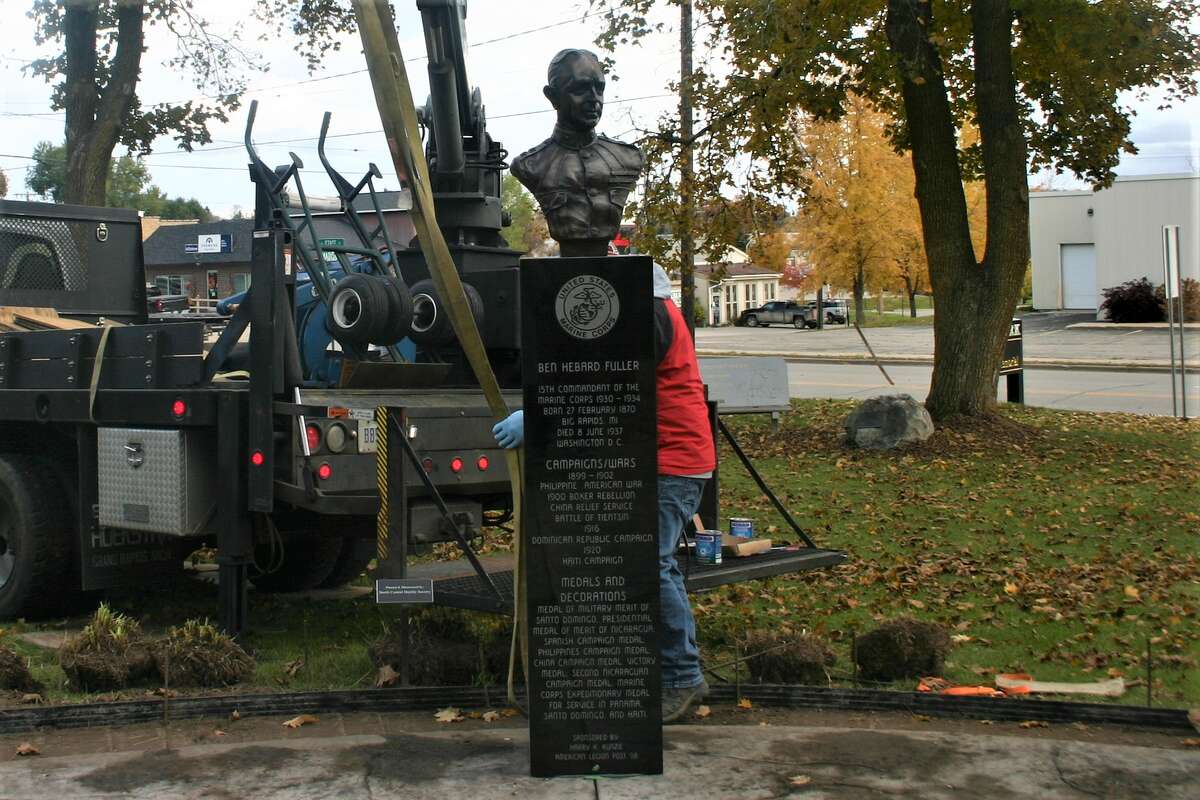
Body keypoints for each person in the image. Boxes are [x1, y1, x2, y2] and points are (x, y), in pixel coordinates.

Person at [492, 263, 716, 723]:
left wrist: (536, 416)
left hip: (669, 460)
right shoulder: (654, 311)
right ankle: (670, 669)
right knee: (656, 565)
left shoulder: (649, 315)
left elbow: (611, 382)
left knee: (647, 565)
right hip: (668, 458)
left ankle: (681, 676)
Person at [509, 48, 644, 258]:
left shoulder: (628, 158)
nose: (594, 99)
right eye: (579, 89)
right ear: (552, 96)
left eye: (599, 89)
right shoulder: (531, 165)